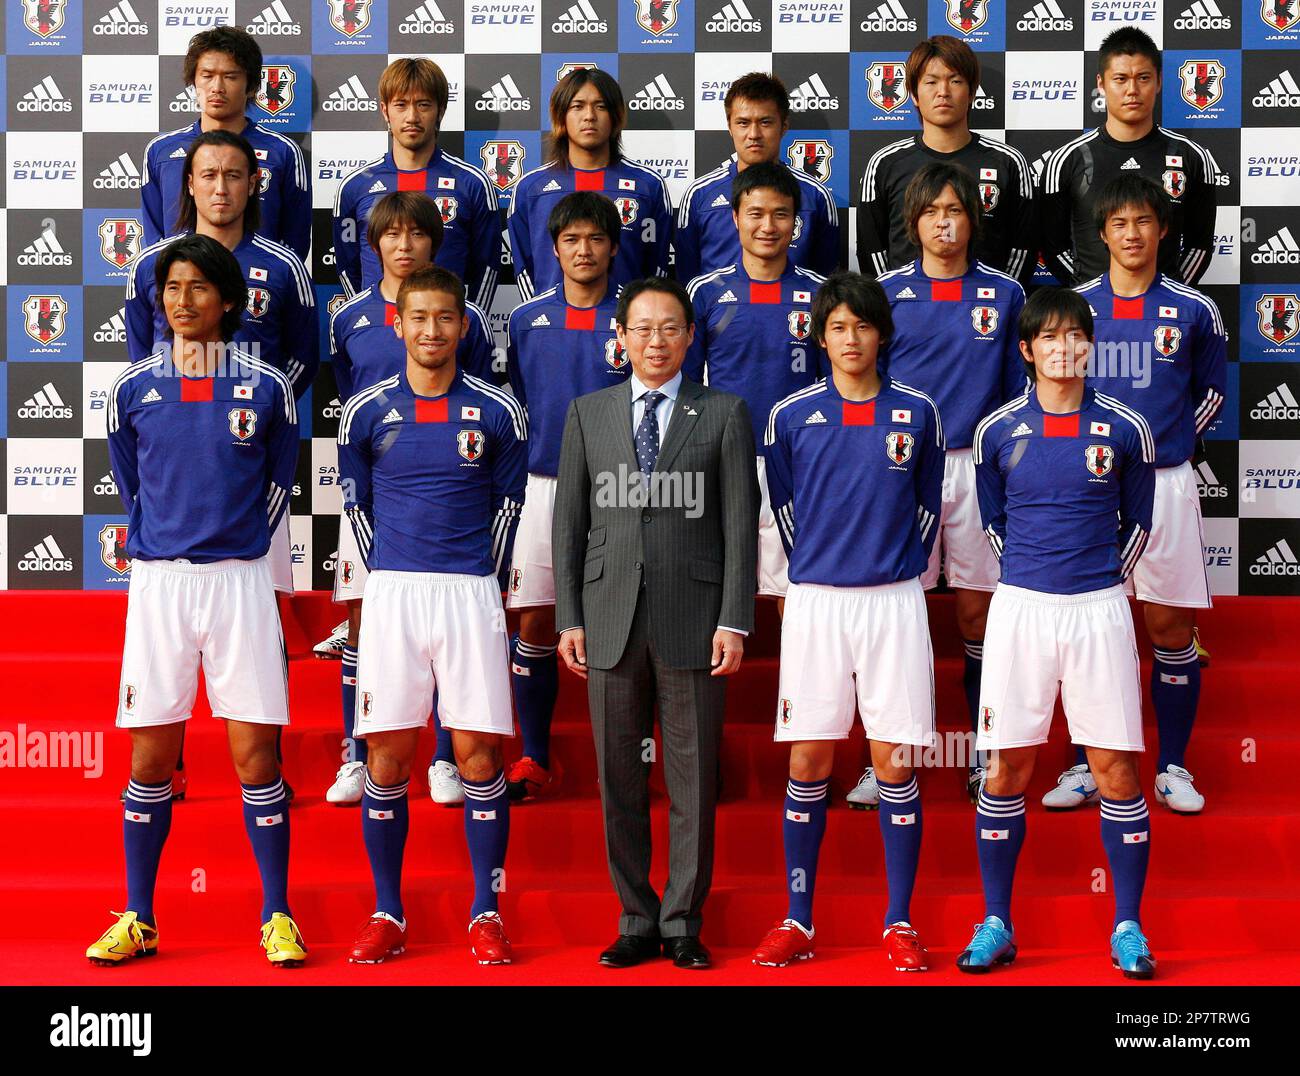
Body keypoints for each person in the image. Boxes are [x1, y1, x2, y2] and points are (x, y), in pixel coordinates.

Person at [89, 235, 306, 968]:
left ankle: (277, 912)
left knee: (254, 758)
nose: (182, 301)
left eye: (198, 289)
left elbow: (279, 483)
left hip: (240, 581)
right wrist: (170, 539)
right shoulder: (131, 391)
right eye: (171, 288)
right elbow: (132, 484)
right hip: (159, 585)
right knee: (150, 757)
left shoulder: (266, 387)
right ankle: (140, 916)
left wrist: (233, 540)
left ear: (228, 302)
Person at [552, 278, 759, 969]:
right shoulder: (590, 412)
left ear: (690, 336)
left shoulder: (724, 412)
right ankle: (635, 917)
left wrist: (734, 619)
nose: (655, 341)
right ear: (621, 337)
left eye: (669, 328)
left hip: (694, 618)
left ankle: (683, 920)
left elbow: (739, 526)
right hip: (608, 617)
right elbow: (570, 524)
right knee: (619, 777)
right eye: (641, 328)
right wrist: (570, 616)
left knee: (693, 779)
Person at [961, 287, 1157, 979]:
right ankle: (996, 922)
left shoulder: (1126, 428)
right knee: (1006, 768)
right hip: (1022, 609)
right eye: (1049, 338)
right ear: (1027, 349)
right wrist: (1033, 576)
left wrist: (1098, 580)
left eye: (1075, 336)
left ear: (1089, 344)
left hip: (1099, 608)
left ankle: (1128, 925)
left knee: (1116, 771)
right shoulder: (997, 431)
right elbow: (993, 522)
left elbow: (1138, 525)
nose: (1063, 348)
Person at [753, 273, 943, 972]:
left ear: (882, 334)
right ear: (820, 336)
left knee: (894, 762)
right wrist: (824, 565)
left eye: (863, 326)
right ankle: (799, 919)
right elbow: (785, 508)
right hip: (818, 603)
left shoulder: (917, 412)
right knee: (808, 761)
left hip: (894, 601)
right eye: (838, 327)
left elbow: (928, 507)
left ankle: (899, 921)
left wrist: (888, 561)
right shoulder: (791, 414)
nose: (852, 338)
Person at [338, 266, 527, 966]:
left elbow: (509, 508)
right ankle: (388, 910)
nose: (431, 330)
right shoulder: (365, 412)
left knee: (479, 756)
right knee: (386, 760)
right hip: (394, 595)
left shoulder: (497, 412)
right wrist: (389, 575)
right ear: (399, 324)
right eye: (419, 317)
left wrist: (483, 581)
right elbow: (357, 509)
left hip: (469, 593)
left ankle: (486, 910)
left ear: (464, 326)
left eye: (446, 317)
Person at [126, 129, 316, 804]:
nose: (219, 187)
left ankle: (267, 764)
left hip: (248, 464)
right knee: (160, 688)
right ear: (189, 182)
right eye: (207, 175)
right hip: (179, 490)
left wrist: (265, 406)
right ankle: (167, 766)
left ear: (252, 183)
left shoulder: (281, 266)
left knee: (261, 624)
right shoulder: (151, 263)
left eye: (234, 175)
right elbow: (133, 412)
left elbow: (301, 354)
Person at [1042, 175, 1225, 814]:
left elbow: (1211, 394)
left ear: (1163, 231)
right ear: (1102, 234)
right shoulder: (1073, 309)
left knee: (1169, 625)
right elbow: (1051, 396)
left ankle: (1173, 764)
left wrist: (1153, 445)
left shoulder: (1193, 309)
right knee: (1088, 626)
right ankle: (1082, 766)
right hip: (1088, 488)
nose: (1131, 234)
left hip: (1167, 483)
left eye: (1144, 222)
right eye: (1119, 224)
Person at [849, 163, 1025, 809]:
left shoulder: (1004, 295)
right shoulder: (886, 292)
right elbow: (865, 385)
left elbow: (1017, 395)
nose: (945, 221)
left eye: (956, 209)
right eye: (932, 211)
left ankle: (983, 753)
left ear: (973, 220)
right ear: (913, 221)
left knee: (981, 614)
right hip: (904, 466)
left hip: (980, 468)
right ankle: (893, 759)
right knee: (902, 615)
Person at [323, 192, 496, 808]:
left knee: (447, 640)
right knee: (361, 620)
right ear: (374, 247)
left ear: (433, 242)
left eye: (416, 235)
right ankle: (355, 752)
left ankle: (446, 759)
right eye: (391, 235)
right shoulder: (349, 317)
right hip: (375, 487)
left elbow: (467, 383)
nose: (404, 245)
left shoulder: (458, 313)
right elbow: (346, 390)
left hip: (445, 491)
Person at [503, 192, 631, 801]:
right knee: (533, 618)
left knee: (627, 622)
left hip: (619, 486)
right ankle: (533, 754)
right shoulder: (528, 320)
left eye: (596, 239)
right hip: (541, 484)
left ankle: (624, 759)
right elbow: (522, 397)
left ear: (613, 246)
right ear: (553, 249)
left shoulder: (635, 318)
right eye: (572, 240)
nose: (584, 250)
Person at [684, 162, 827, 607]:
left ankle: (800, 678)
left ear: (796, 222)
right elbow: (684, 385)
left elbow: (834, 383)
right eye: (756, 213)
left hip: (798, 457)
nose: (768, 226)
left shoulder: (822, 295)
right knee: (716, 586)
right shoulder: (703, 293)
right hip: (725, 457)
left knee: (795, 588)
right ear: (735, 218)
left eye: (781, 214)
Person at [1039, 27, 1217, 287]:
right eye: (1120, 79)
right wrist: (1089, 295)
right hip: (1091, 316)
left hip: (1164, 317)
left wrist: (1170, 293)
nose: (1132, 90)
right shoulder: (1066, 160)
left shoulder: (1191, 157)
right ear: (1101, 84)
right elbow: (1053, 248)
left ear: (1158, 82)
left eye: (1143, 78)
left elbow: (1199, 246)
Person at [856, 35, 1034, 284]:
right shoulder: (886, 164)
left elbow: (1022, 248)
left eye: (955, 81)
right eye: (931, 82)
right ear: (914, 95)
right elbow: (871, 249)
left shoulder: (1007, 163)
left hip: (985, 311)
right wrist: (891, 300)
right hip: (906, 312)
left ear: (972, 93)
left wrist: (1001, 299)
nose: (943, 92)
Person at [333, 58, 500, 308]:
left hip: (444, 334)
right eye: (401, 105)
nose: (412, 116)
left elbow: (487, 268)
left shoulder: (472, 183)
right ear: (384, 110)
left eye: (423, 105)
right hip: (378, 330)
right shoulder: (355, 186)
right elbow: (348, 266)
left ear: (440, 110)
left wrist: (467, 323)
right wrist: (369, 316)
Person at [141, 26, 309, 260]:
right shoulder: (160, 151)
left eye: (230, 76)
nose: (217, 87)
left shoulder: (283, 152)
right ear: (193, 82)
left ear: (251, 86)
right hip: (185, 291)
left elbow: (294, 243)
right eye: (207, 76)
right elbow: (154, 245)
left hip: (256, 290)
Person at [508, 68, 672, 301]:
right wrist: (544, 310)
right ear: (560, 116)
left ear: (616, 116)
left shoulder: (647, 186)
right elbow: (524, 268)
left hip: (628, 327)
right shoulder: (530, 188)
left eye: (601, 106)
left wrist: (638, 315)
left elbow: (657, 265)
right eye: (577, 106)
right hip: (555, 325)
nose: (589, 116)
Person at [676, 72, 839, 284]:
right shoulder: (699, 195)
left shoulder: (815, 196)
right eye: (743, 123)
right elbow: (687, 281)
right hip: (720, 317)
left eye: (765, 122)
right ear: (730, 127)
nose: (754, 134)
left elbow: (824, 282)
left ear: (784, 127)